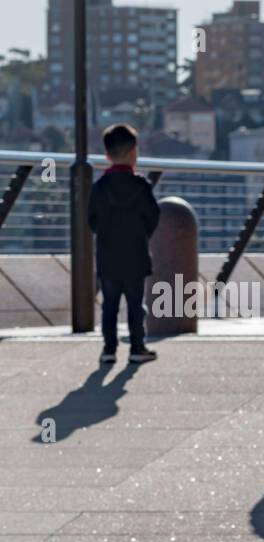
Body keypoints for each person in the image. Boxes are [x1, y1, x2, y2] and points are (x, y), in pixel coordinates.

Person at [89, 123, 159, 365]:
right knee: (135, 305)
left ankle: (109, 349)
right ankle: (137, 347)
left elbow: (92, 221)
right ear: (133, 153)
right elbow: (153, 217)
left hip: (108, 256)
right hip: (136, 255)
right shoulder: (141, 187)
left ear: (107, 155)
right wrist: (140, 235)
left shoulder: (99, 188)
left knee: (109, 305)